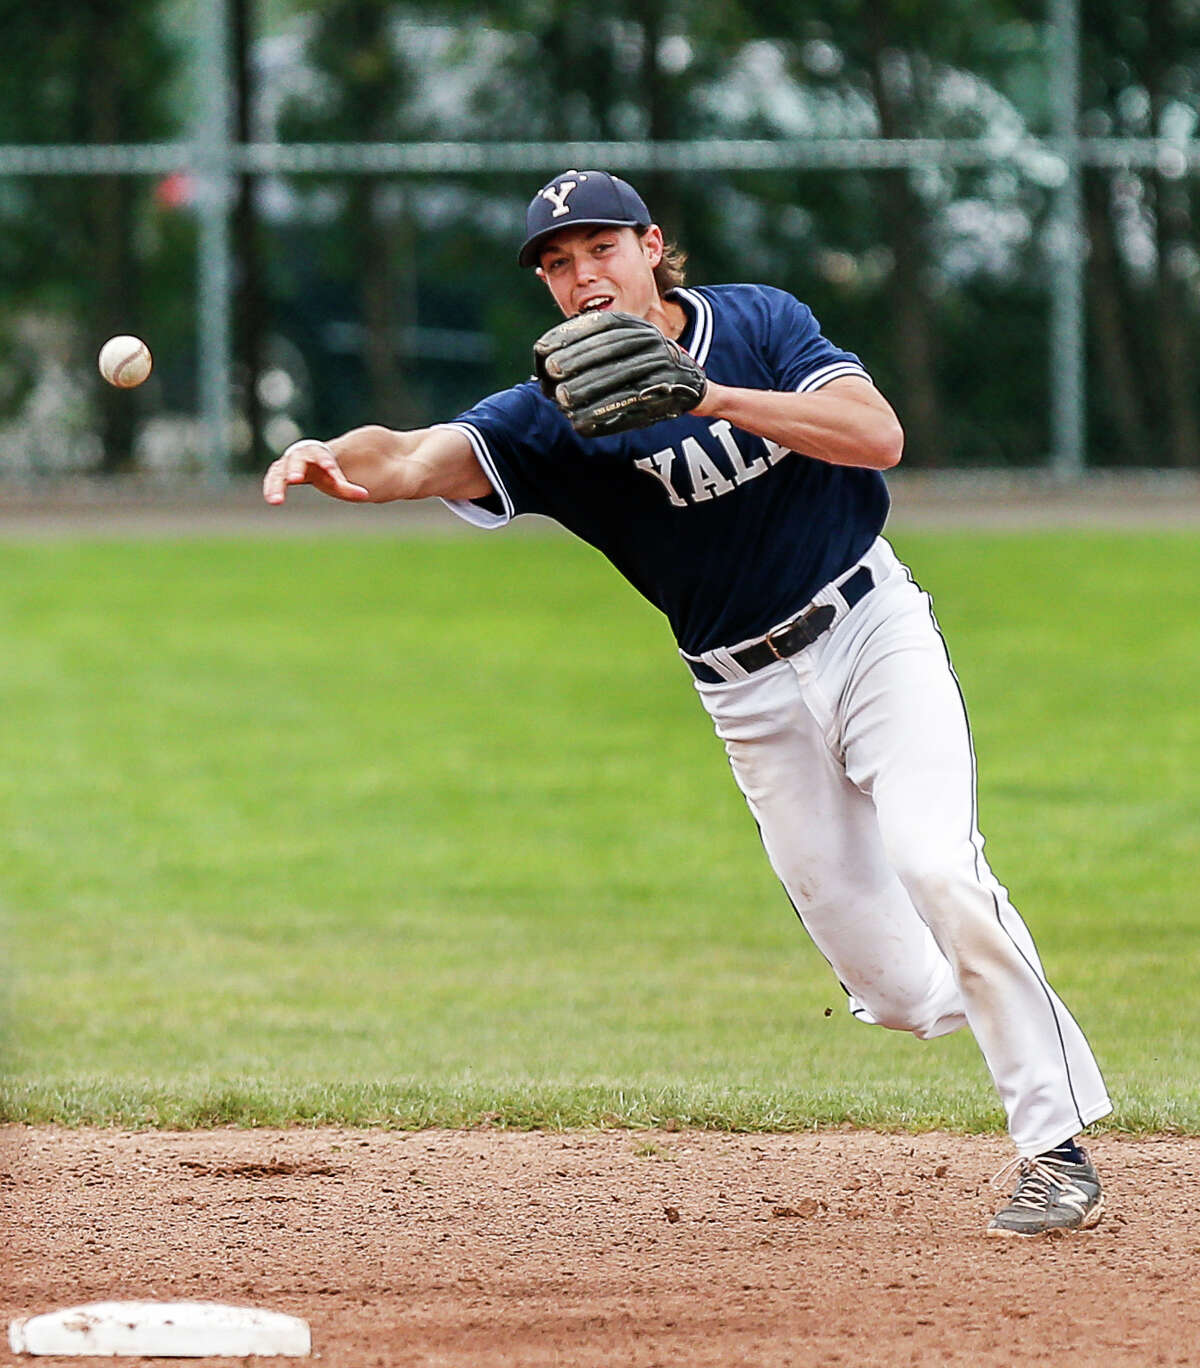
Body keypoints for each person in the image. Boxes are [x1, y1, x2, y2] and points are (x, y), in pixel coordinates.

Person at [263, 169, 1112, 1236]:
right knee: (900, 993)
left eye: (600, 249)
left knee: (941, 865)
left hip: (870, 630)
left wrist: (701, 396)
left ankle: (1054, 1147)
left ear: (652, 247)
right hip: (747, 697)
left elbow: (874, 434)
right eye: (558, 266)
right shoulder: (552, 418)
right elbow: (420, 453)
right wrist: (337, 459)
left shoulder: (758, 323)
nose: (583, 277)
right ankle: (1011, 994)